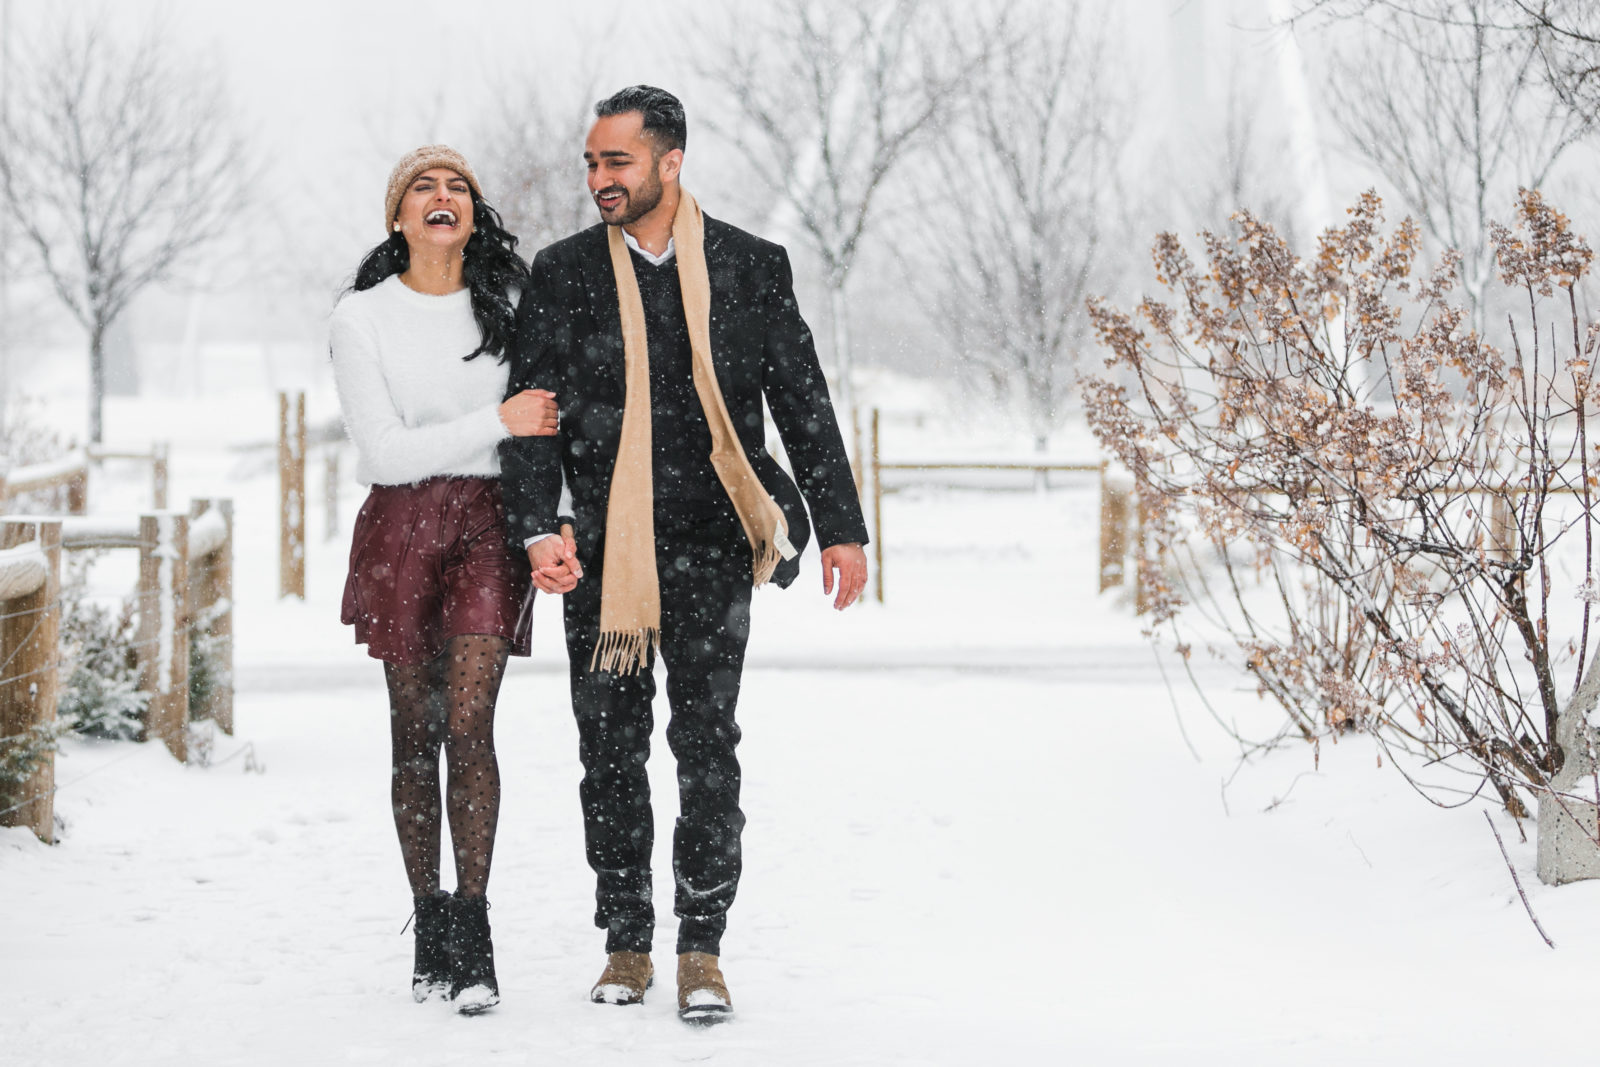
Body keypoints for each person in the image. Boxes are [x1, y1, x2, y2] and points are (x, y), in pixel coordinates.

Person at [500, 86, 869, 1025]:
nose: (598, 180)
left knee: (708, 749)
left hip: (711, 549)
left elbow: (802, 399)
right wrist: (539, 527)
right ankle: (626, 937)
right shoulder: (563, 271)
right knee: (609, 754)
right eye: (591, 162)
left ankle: (702, 944)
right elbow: (532, 415)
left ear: (671, 162)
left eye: (615, 161)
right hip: (598, 553)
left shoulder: (752, 267)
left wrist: (842, 527)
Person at [330, 145, 558, 1015]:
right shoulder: (361, 318)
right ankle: (428, 921)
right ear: (399, 217)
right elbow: (383, 452)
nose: (442, 195)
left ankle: (475, 925)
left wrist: (553, 517)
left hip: (491, 526)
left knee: (469, 722)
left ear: (471, 212)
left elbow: (543, 430)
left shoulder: (507, 304)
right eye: (423, 186)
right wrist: (491, 421)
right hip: (400, 527)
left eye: (457, 185)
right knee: (413, 733)